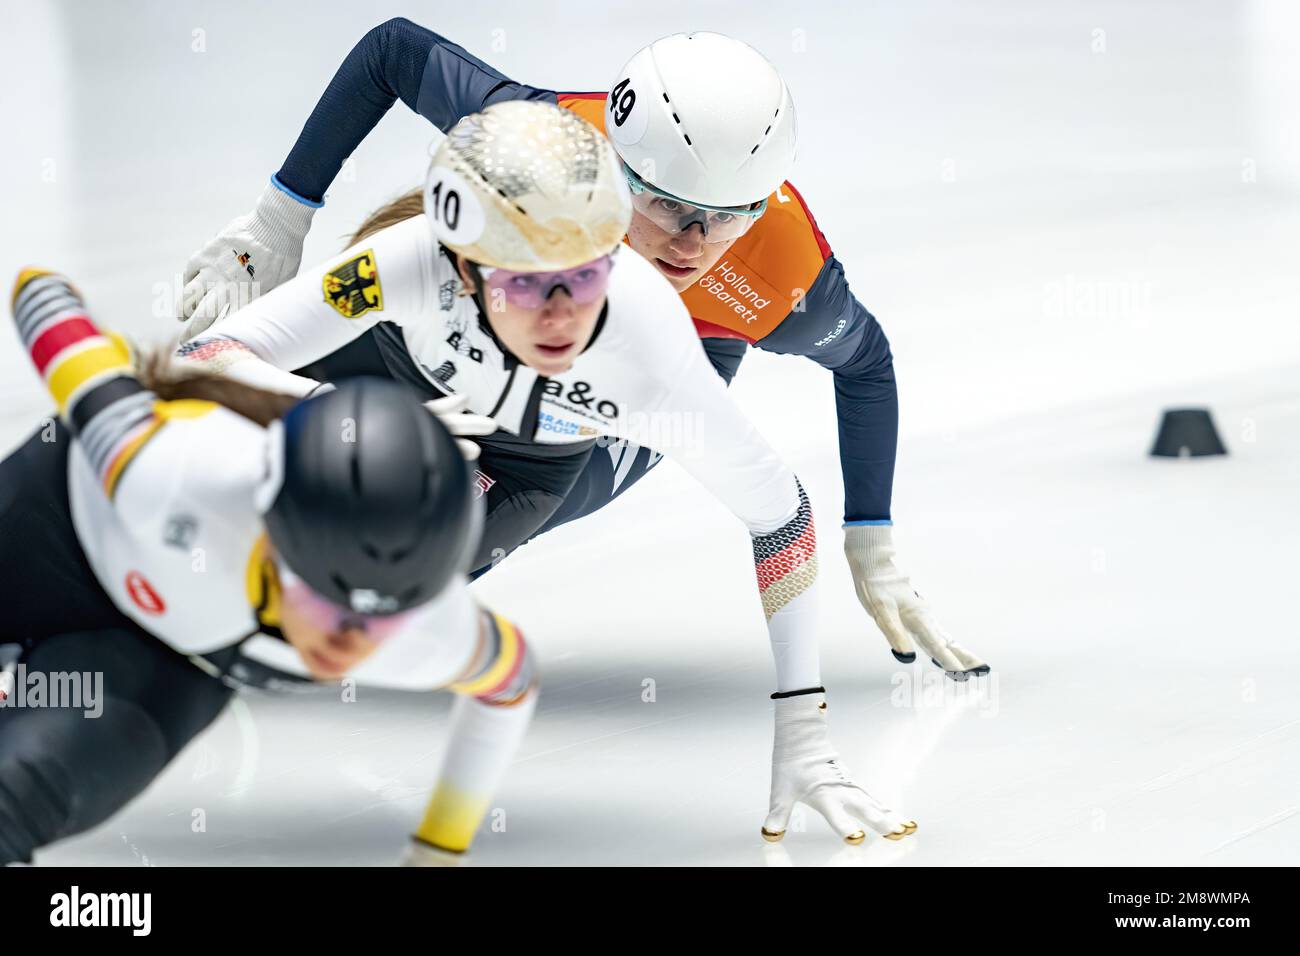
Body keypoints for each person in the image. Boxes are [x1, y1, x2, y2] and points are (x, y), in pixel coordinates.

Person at [176, 99, 917, 845]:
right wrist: (342, 418)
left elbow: (780, 516)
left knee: (333, 600)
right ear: (462, 267)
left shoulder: (649, 351)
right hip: (399, 366)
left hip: (522, 462)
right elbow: (202, 359)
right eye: (528, 285)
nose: (564, 318)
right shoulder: (413, 258)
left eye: (591, 275)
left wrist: (804, 728)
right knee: (201, 450)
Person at [177, 22, 989, 681]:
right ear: (615, 164)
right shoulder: (551, 139)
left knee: (426, 531)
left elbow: (866, 365)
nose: (695, 244)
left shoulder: (784, 277)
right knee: (238, 403)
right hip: (492, 296)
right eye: (668, 206)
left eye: (730, 214)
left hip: (625, 392)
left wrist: (870, 536)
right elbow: (392, 50)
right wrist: (279, 223)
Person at [0, 269, 533, 865]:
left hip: (165, 655)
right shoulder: (174, 470)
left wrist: (436, 849)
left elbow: (509, 687)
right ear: (271, 540)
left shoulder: (427, 626)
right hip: (53, 534)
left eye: (380, 623)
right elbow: (42, 303)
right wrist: (59, 302)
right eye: (328, 600)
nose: (347, 642)